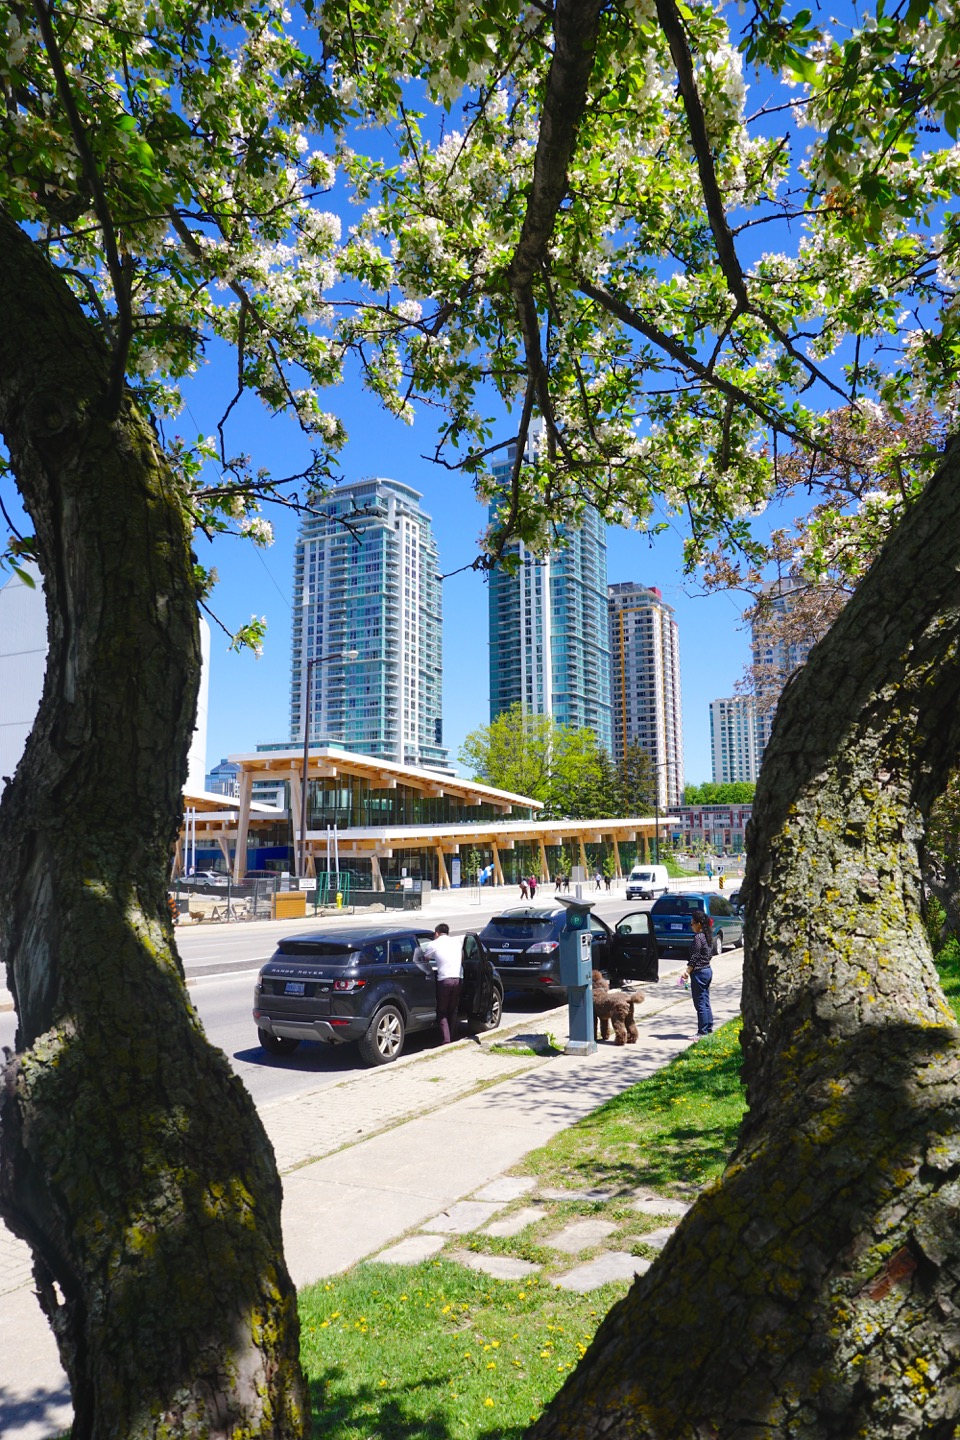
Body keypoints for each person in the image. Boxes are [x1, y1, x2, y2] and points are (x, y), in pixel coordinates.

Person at [419, 922, 463, 1044]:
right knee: (453, 1009)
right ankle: (454, 1037)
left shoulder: (433, 944)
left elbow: (424, 961)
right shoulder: (456, 942)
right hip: (457, 979)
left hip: (444, 981)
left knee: (442, 1011)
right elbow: (461, 958)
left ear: (437, 933)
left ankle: (446, 1040)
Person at [684, 910, 714, 1037]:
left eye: (692, 924)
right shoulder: (708, 936)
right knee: (705, 1000)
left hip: (699, 972)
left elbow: (695, 957)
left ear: (699, 924)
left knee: (700, 1003)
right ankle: (709, 1027)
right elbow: (709, 954)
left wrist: (687, 971)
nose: (691, 926)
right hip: (707, 970)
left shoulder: (698, 938)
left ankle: (702, 1031)